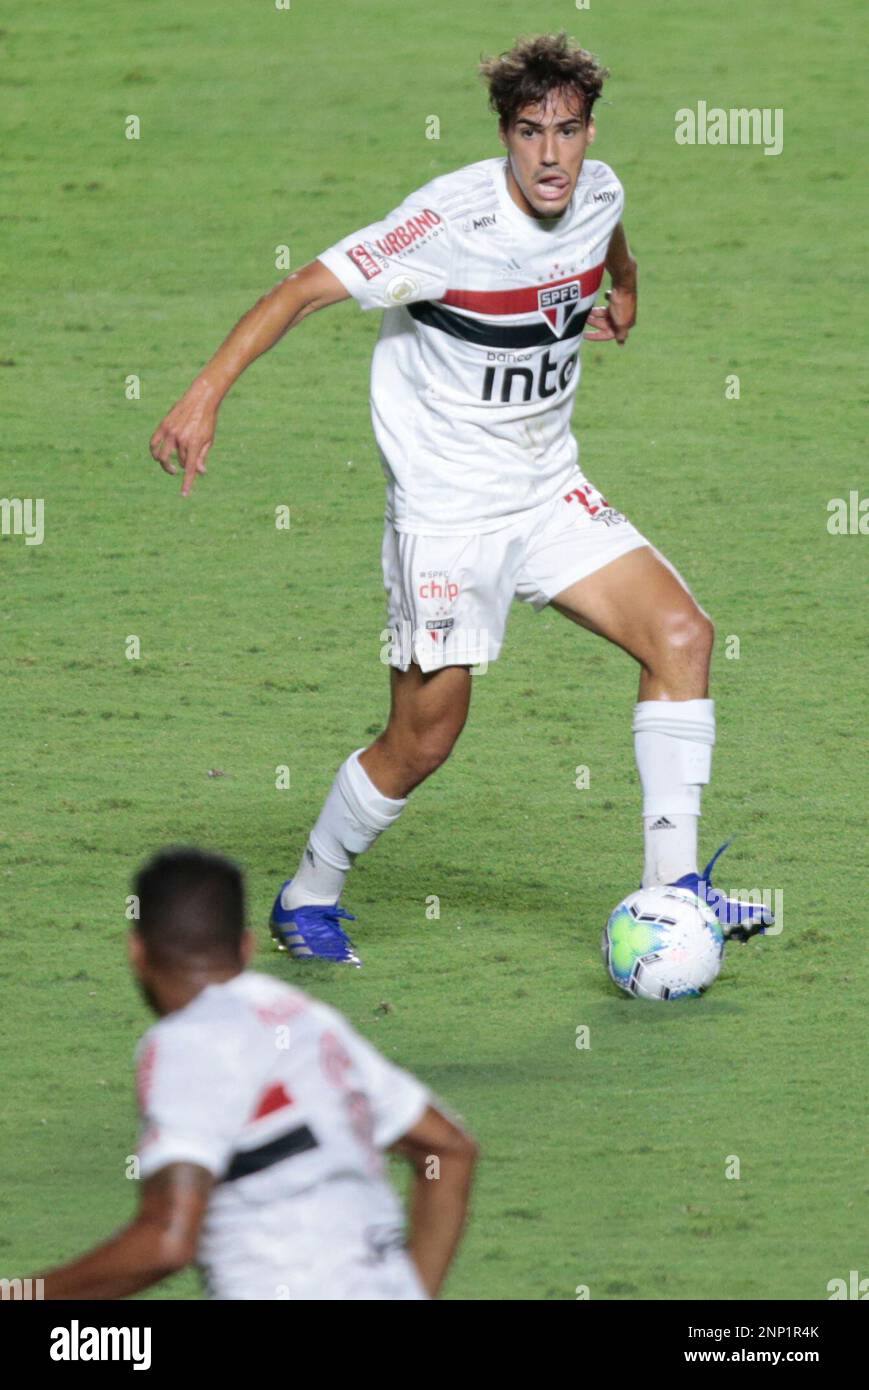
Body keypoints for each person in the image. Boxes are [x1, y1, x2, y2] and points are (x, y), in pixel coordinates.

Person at [150, 33, 772, 965]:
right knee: (423, 739)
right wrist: (203, 396)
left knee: (681, 635)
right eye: (531, 133)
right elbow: (300, 293)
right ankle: (308, 893)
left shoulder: (598, 191)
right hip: (446, 516)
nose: (551, 155)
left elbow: (609, 238)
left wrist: (626, 290)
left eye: (567, 131)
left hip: (547, 489)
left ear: (589, 131)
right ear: (504, 135)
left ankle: (673, 895)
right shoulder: (443, 225)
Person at [32, 849, 477, 1299]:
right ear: (246, 947)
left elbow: (166, 1242)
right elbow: (450, 1151)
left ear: (137, 952)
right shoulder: (308, 1020)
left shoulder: (185, 1041)